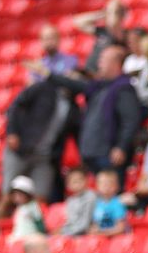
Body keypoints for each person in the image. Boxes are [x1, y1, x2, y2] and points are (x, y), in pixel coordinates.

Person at [47, 45, 142, 181]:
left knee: (111, 191)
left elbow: (131, 120)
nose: (99, 63)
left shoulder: (124, 89)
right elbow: (73, 84)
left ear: (115, 63)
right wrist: (49, 75)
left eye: (103, 60)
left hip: (108, 153)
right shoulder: (99, 86)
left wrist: (121, 146)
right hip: (92, 151)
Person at [4, 69, 79, 202]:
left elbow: (75, 134)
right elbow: (16, 106)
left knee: (41, 195)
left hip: (45, 157)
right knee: (8, 194)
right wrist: (12, 132)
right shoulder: (43, 88)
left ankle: (36, 222)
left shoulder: (74, 108)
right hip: (21, 150)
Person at [74, 0, 129, 76]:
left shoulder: (124, 35)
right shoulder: (102, 31)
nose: (111, 15)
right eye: (108, 11)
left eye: (115, 12)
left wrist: (113, 12)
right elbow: (78, 22)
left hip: (102, 75)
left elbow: (114, 26)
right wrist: (102, 14)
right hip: (88, 72)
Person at [6, 176, 46, 242]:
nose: (17, 198)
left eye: (20, 195)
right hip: (19, 235)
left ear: (28, 195)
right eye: (15, 195)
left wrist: (42, 234)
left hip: (31, 236)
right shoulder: (19, 208)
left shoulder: (33, 206)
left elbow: (39, 222)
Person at [90, 169, 127, 237]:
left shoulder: (118, 204)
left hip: (114, 239)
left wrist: (105, 233)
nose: (106, 187)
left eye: (110, 184)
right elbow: (94, 224)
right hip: (100, 238)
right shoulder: (95, 203)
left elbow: (121, 228)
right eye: (103, 184)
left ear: (116, 186)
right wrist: (94, 231)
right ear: (97, 186)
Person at [60, 167, 96, 236]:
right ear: (68, 185)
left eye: (80, 180)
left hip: (85, 234)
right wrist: (62, 230)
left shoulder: (90, 196)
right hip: (71, 232)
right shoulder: (70, 200)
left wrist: (65, 233)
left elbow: (85, 223)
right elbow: (70, 221)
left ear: (86, 180)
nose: (78, 184)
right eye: (74, 181)